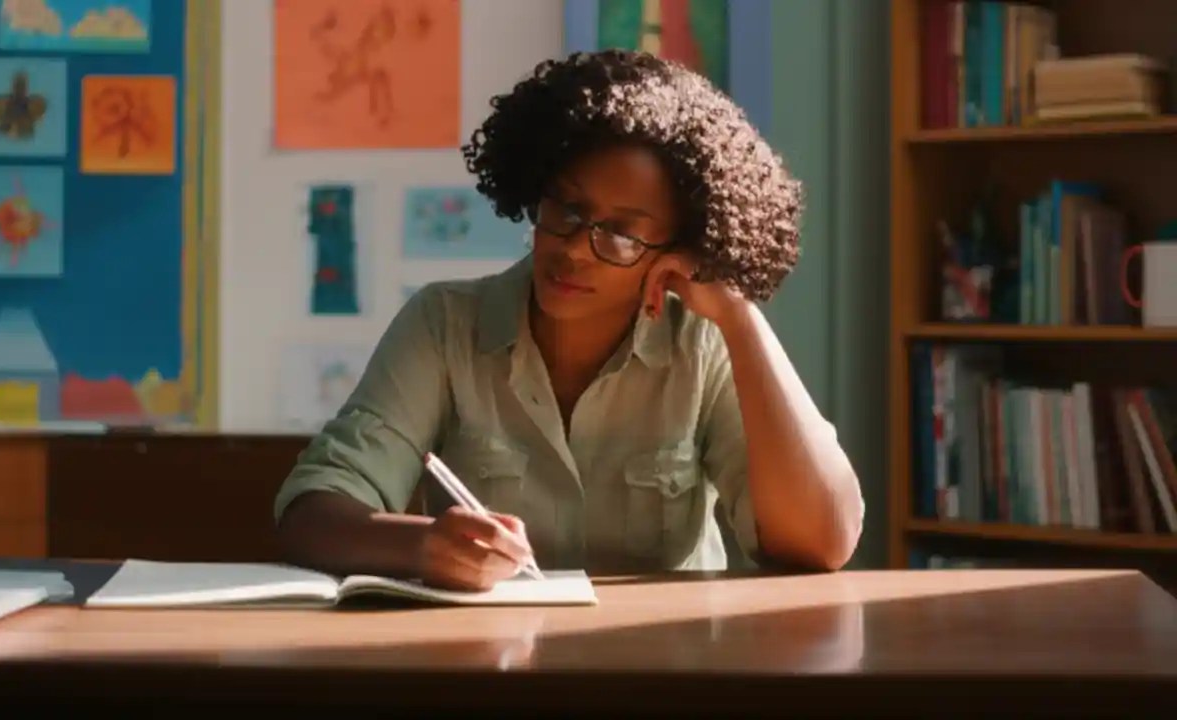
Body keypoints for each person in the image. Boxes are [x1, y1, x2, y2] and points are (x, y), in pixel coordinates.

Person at [274, 49, 865, 591]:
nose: (577, 248)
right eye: (566, 208)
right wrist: (423, 546)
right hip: (492, 670)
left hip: (665, 669)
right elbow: (311, 514)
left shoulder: (702, 346)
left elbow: (822, 543)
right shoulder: (444, 324)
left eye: (622, 233)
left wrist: (739, 317)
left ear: (675, 253)